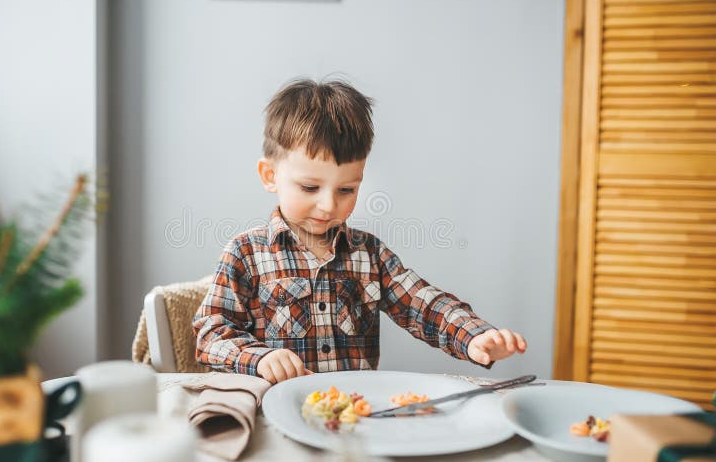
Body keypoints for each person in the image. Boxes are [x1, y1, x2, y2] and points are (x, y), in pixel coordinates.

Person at [193, 78, 527, 384]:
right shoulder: (247, 253)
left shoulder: (368, 255)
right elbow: (211, 332)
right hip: (278, 411)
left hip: (355, 413)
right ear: (270, 176)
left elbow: (422, 303)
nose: (328, 206)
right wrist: (259, 357)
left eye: (346, 190)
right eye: (310, 187)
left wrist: (473, 336)